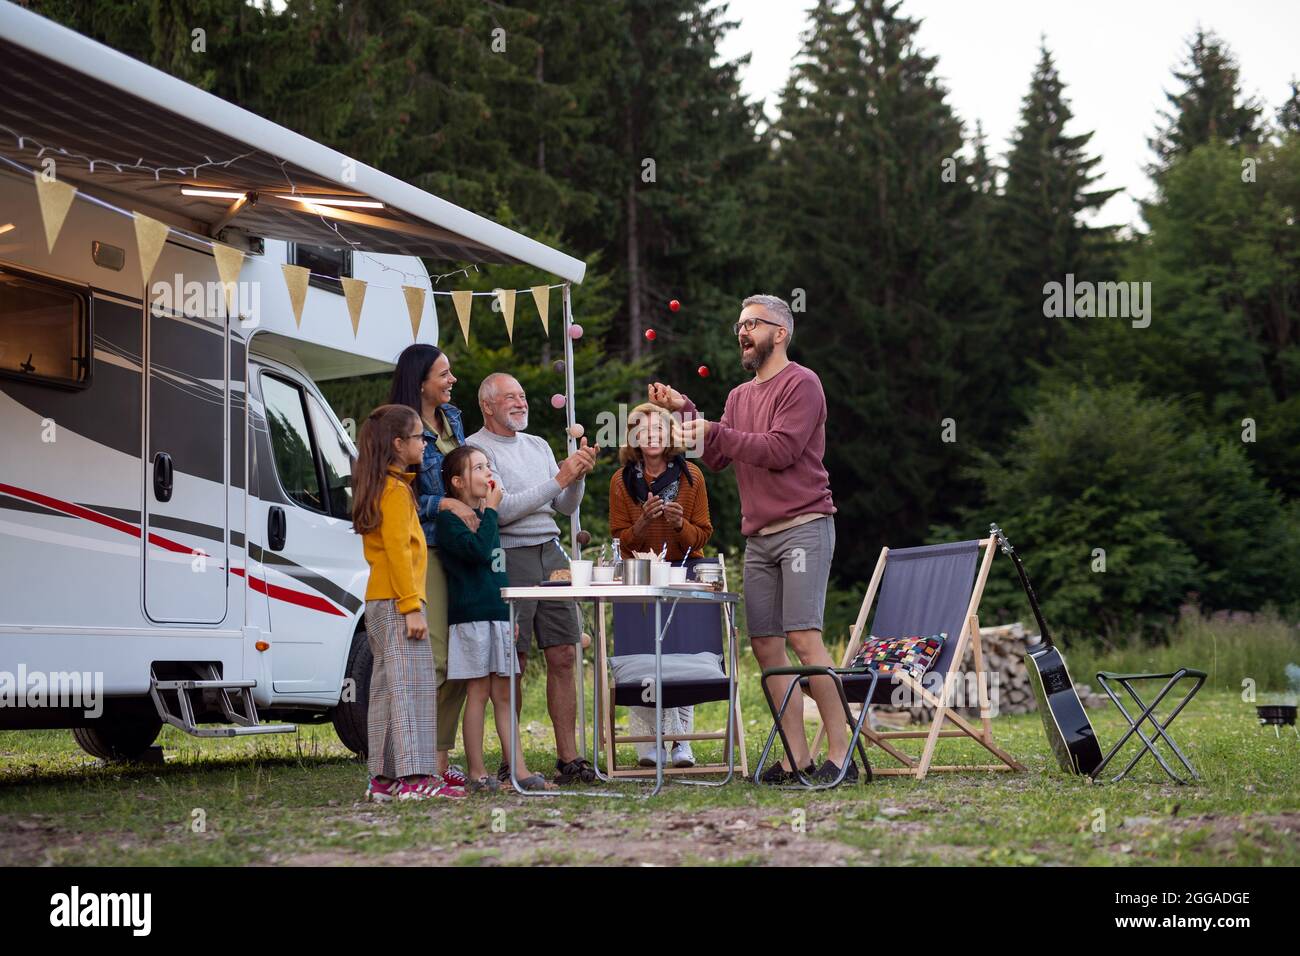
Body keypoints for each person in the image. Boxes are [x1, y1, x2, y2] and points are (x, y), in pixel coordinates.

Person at [649, 293, 852, 785]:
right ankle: (797, 757)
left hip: (803, 526)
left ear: (779, 333)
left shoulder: (803, 384)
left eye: (752, 324)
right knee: (765, 647)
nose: (742, 332)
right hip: (758, 538)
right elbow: (716, 456)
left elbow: (780, 449)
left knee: (803, 637)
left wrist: (714, 427)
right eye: (739, 325)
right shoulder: (740, 396)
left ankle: (842, 754)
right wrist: (685, 410)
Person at [466, 372, 600, 785]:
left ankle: (569, 758)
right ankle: (512, 761)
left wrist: (575, 477)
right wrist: (559, 478)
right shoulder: (475, 448)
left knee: (564, 652)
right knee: (515, 660)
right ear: (487, 405)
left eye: (523, 396)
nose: (521, 403)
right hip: (510, 553)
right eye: (510, 397)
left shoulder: (538, 444)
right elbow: (501, 511)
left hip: (551, 551)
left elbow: (563, 506)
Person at [352, 404, 465, 802]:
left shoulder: (383, 485)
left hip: (380, 601)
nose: (425, 442)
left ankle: (383, 779)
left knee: (386, 689)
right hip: (399, 603)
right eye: (419, 436)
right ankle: (415, 777)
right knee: (412, 688)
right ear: (398, 444)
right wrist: (413, 605)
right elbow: (400, 554)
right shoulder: (396, 492)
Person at [437, 445, 553, 792]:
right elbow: (478, 552)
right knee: (478, 691)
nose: (488, 473)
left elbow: (497, 567)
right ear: (458, 482)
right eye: (478, 468)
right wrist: (491, 512)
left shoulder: (488, 516)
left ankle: (518, 769)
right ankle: (477, 773)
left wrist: (509, 610)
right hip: (471, 618)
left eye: (488, 466)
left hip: (498, 614)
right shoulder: (450, 520)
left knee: (504, 693)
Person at [388, 344, 476, 789]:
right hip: (430, 550)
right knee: (437, 660)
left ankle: (441, 762)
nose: (452, 379)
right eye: (444, 373)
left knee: (462, 660)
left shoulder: (454, 419)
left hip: (464, 548)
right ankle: (420, 763)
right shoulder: (399, 427)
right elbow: (390, 494)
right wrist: (439, 501)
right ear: (421, 380)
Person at [608, 402, 713, 767]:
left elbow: (701, 537)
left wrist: (679, 524)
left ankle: (681, 741)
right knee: (642, 657)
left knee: (681, 656)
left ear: (670, 435)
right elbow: (620, 540)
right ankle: (648, 743)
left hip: (681, 574)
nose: (651, 437)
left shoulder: (692, 477)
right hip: (639, 578)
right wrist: (641, 524)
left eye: (658, 430)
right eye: (643, 431)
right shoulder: (621, 481)